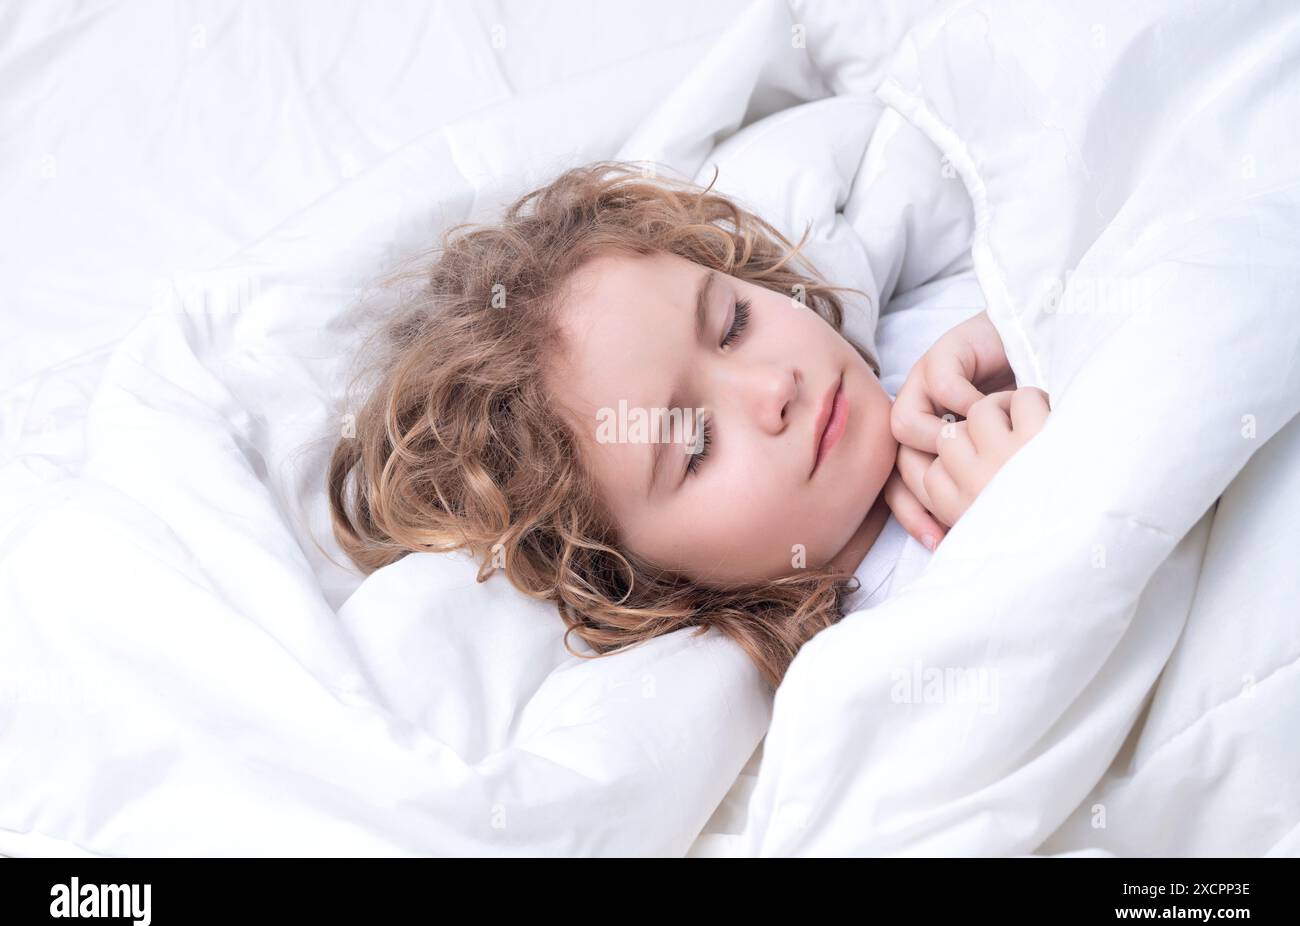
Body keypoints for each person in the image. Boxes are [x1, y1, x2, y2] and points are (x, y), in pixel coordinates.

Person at [327, 160, 1049, 689]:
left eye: (734, 322)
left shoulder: (961, 313)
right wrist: (1036, 515)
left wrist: (1027, 330)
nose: (775, 387)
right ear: (643, 586)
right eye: (695, 444)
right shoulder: (868, 670)